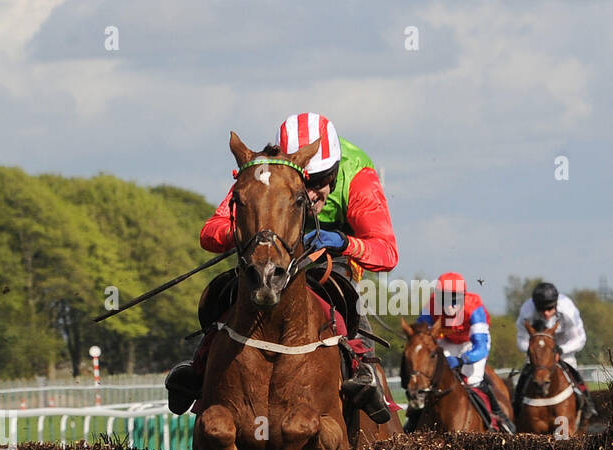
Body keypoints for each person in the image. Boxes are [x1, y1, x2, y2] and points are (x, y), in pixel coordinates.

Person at [166, 112, 397, 423]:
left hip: (330, 260)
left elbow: (386, 252)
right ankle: (200, 364)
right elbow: (210, 231)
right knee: (227, 291)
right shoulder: (267, 169)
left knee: (348, 303)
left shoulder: (360, 178)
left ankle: (364, 371)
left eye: (322, 182)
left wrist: (343, 242)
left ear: (336, 169)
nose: (314, 193)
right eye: (305, 182)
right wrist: (244, 233)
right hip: (271, 255)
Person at [407, 272, 515, 432]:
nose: (450, 306)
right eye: (445, 300)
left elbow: (481, 347)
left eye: (454, 300)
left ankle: (499, 417)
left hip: (471, 344)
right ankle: (413, 420)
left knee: (472, 380)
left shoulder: (474, 307)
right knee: (429, 381)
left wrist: (462, 359)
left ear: (462, 297)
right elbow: (420, 336)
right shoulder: (431, 307)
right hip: (446, 341)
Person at [514, 281, 595, 419]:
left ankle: (588, 404)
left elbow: (580, 339)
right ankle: (516, 405)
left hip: (564, 346)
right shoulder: (526, 311)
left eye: (550, 309)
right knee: (525, 375)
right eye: (542, 310)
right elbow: (521, 339)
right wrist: (533, 351)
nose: (546, 314)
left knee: (573, 372)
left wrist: (561, 350)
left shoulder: (568, 309)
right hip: (539, 352)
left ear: (556, 304)